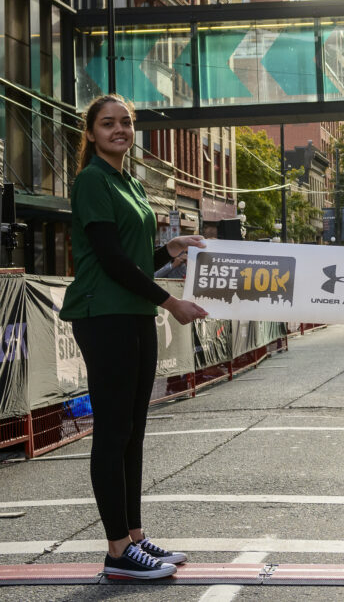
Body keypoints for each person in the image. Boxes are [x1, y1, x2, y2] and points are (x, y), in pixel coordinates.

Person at [58, 95, 209, 580]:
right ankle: (117, 551)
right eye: (108, 124)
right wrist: (171, 302)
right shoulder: (92, 180)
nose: (119, 129)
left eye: (125, 122)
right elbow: (111, 259)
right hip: (104, 315)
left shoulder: (130, 182)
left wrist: (170, 248)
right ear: (91, 133)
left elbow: (136, 255)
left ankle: (135, 537)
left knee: (133, 431)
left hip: (135, 314)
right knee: (113, 431)